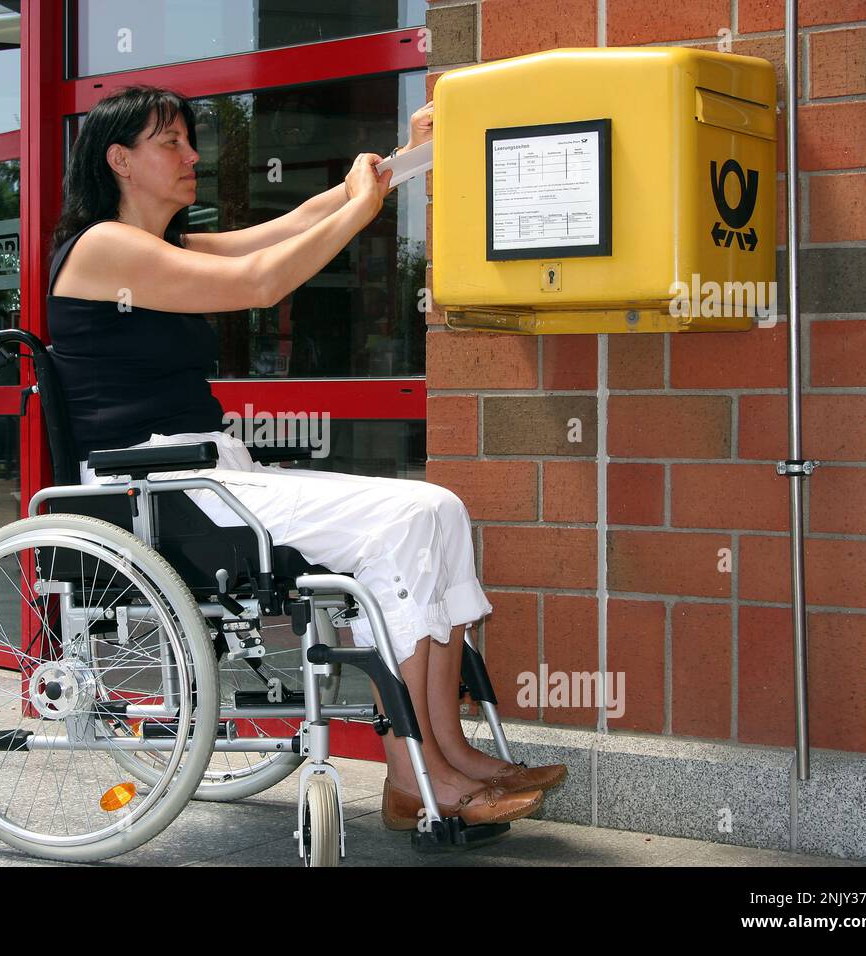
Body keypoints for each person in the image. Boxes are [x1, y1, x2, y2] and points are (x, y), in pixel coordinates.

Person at [46, 85, 566, 829]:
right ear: (119, 159)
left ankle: (446, 752)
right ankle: (412, 775)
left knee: (440, 509)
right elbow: (263, 281)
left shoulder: (164, 248)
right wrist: (363, 210)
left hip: (205, 474)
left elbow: (290, 225)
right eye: (171, 143)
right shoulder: (102, 248)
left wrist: (400, 163)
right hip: (156, 485)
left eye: (191, 140)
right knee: (409, 515)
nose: (192, 155)